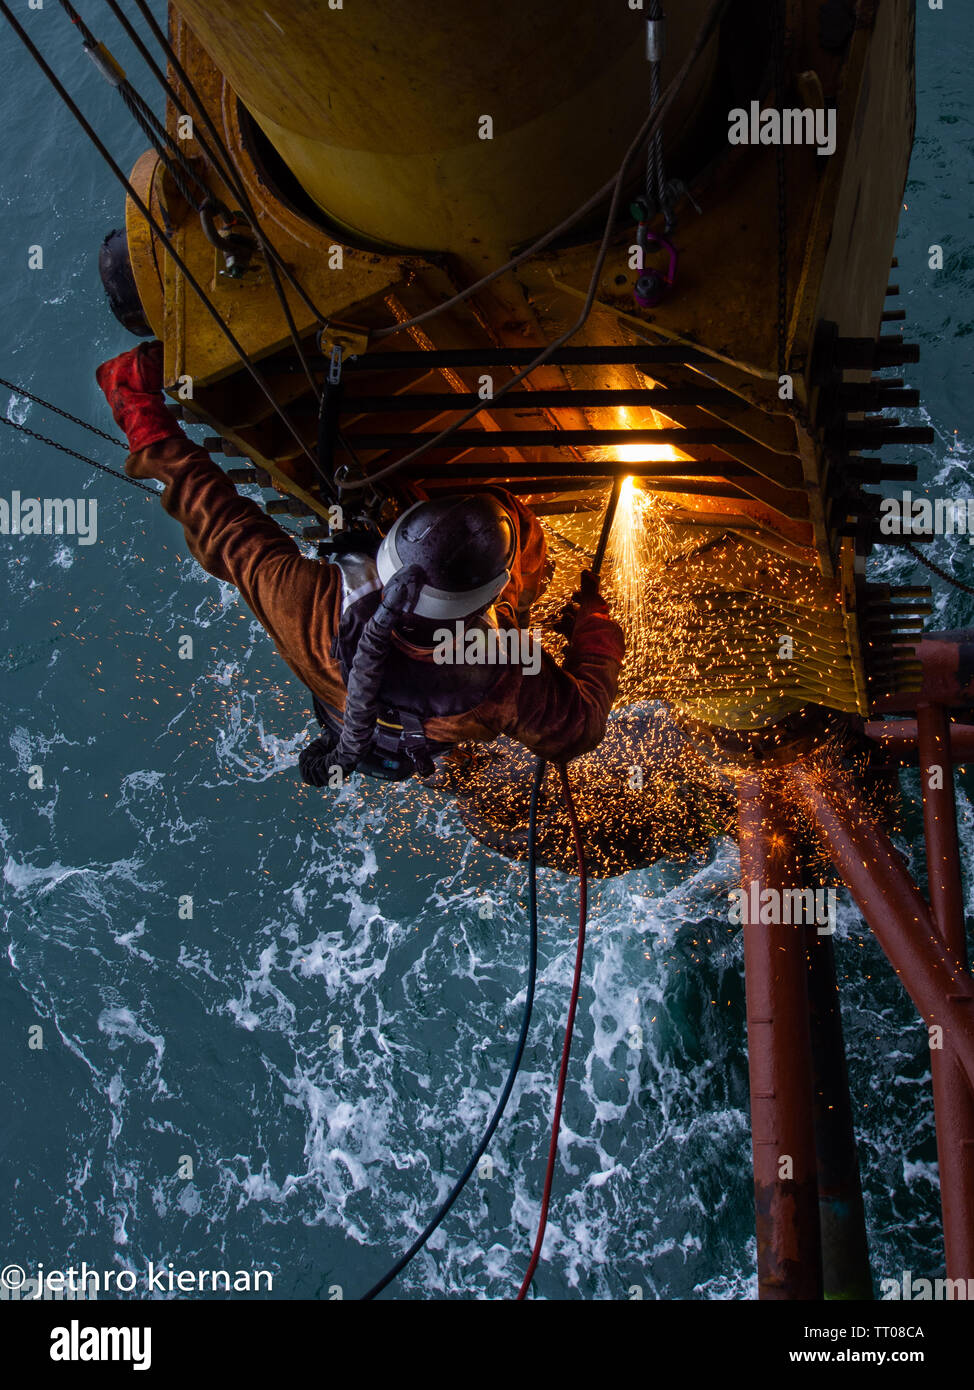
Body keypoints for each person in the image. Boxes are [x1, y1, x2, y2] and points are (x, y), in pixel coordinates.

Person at [96, 341, 625, 782]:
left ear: (389, 554)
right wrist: (592, 623)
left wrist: (136, 401)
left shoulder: (306, 605)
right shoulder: (506, 678)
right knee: (514, 522)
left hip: (355, 721)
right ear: (487, 598)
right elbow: (578, 727)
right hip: (406, 733)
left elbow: (214, 514)